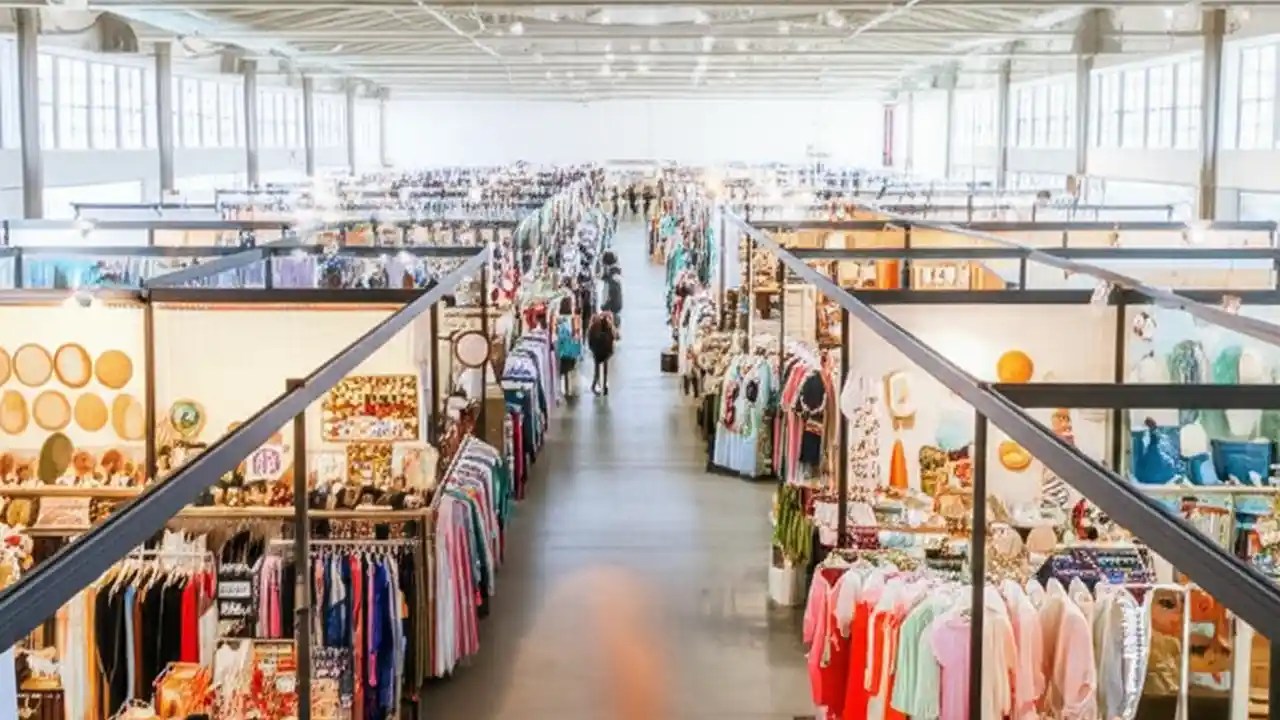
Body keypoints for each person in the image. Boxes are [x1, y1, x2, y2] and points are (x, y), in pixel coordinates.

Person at [555, 297, 582, 398]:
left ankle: (562, 389)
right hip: (571, 348)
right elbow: (577, 333)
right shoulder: (573, 318)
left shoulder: (558, 318)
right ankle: (568, 389)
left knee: (562, 369)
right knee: (569, 369)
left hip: (561, 347)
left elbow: (556, 332)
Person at [587, 312, 618, 396]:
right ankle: (604, 384)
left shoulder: (595, 326)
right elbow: (617, 336)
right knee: (605, 367)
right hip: (606, 351)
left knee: (597, 368)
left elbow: (590, 339)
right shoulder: (609, 326)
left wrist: (591, 348)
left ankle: (595, 384)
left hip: (597, 350)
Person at [602, 264, 623, 334]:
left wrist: (604, 307)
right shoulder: (617, 283)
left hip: (613, 308)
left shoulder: (612, 283)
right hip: (617, 308)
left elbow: (611, 297)